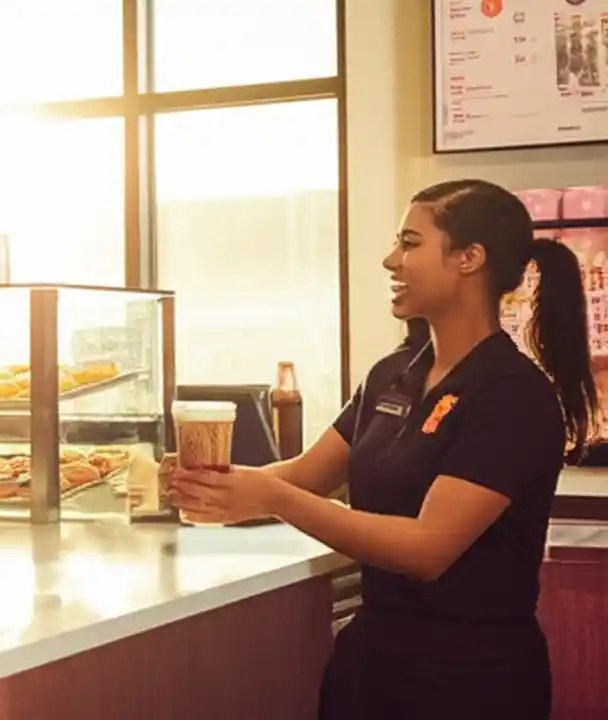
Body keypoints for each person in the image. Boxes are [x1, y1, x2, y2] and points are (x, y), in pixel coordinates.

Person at [172, 179, 596, 719]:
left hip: (467, 682)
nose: (390, 260)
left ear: (469, 258)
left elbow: (426, 549)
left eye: (411, 243)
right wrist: (211, 481)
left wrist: (272, 499)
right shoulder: (394, 374)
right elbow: (306, 474)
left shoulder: (513, 394)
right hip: (371, 663)